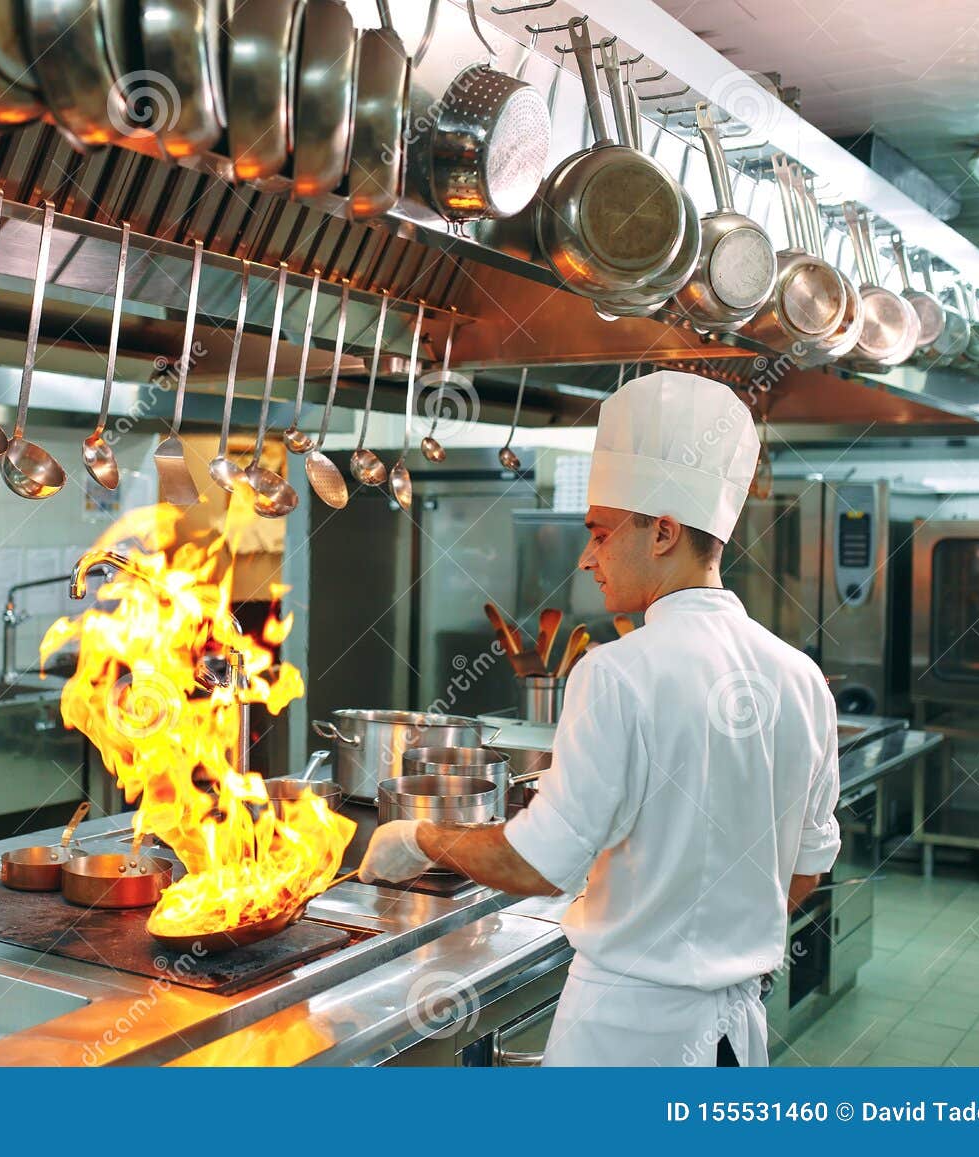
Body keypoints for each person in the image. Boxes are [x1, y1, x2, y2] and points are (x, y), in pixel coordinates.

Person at [358, 370, 840, 1066]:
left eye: (601, 532)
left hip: (623, 1038)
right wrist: (718, 942)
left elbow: (538, 862)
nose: (587, 558)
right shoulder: (800, 678)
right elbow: (807, 868)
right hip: (735, 1040)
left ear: (664, 532)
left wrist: (420, 836)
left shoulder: (616, 671)